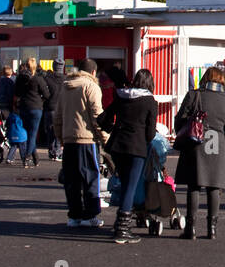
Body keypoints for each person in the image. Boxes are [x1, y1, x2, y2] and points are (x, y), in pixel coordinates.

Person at [173, 66, 225, 239]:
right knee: (214, 186)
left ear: (206, 78)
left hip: (195, 143)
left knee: (194, 184)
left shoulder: (194, 95)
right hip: (216, 143)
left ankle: (191, 228)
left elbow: (179, 121)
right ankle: (212, 229)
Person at [101, 68, 158, 245]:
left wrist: (112, 128)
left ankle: (121, 223)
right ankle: (122, 228)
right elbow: (150, 132)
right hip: (136, 147)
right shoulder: (150, 101)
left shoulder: (121, 96)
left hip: (118, 146)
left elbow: (102, 118)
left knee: (125, 184)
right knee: (131, 186)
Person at [54, 58, 109, 227]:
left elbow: (57, 116)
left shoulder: (65, 87)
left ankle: (74, 216)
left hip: (69, 139)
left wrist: (61, 138)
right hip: (87, 139)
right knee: (90, 178)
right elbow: (96, 117)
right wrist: (105, 138)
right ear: (93, 72)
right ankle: (90, 216)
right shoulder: (91, 87)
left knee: (71, 180)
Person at [11, 57, 52, 168]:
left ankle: (35, 158)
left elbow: (16, 92)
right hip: (36, 107)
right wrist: (41, 100)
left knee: (27, 133)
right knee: (33, 134)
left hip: (24, 107)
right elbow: (47, 94)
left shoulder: (20, 78)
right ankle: (27, 157)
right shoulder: (38, 79)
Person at [42, 59, 65, 159]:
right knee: (59, 131)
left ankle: (51, 151)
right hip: (62, 108)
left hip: (50, 107)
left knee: (50, 131)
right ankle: (58, 152)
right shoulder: (66, 79)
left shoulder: (47, 79)